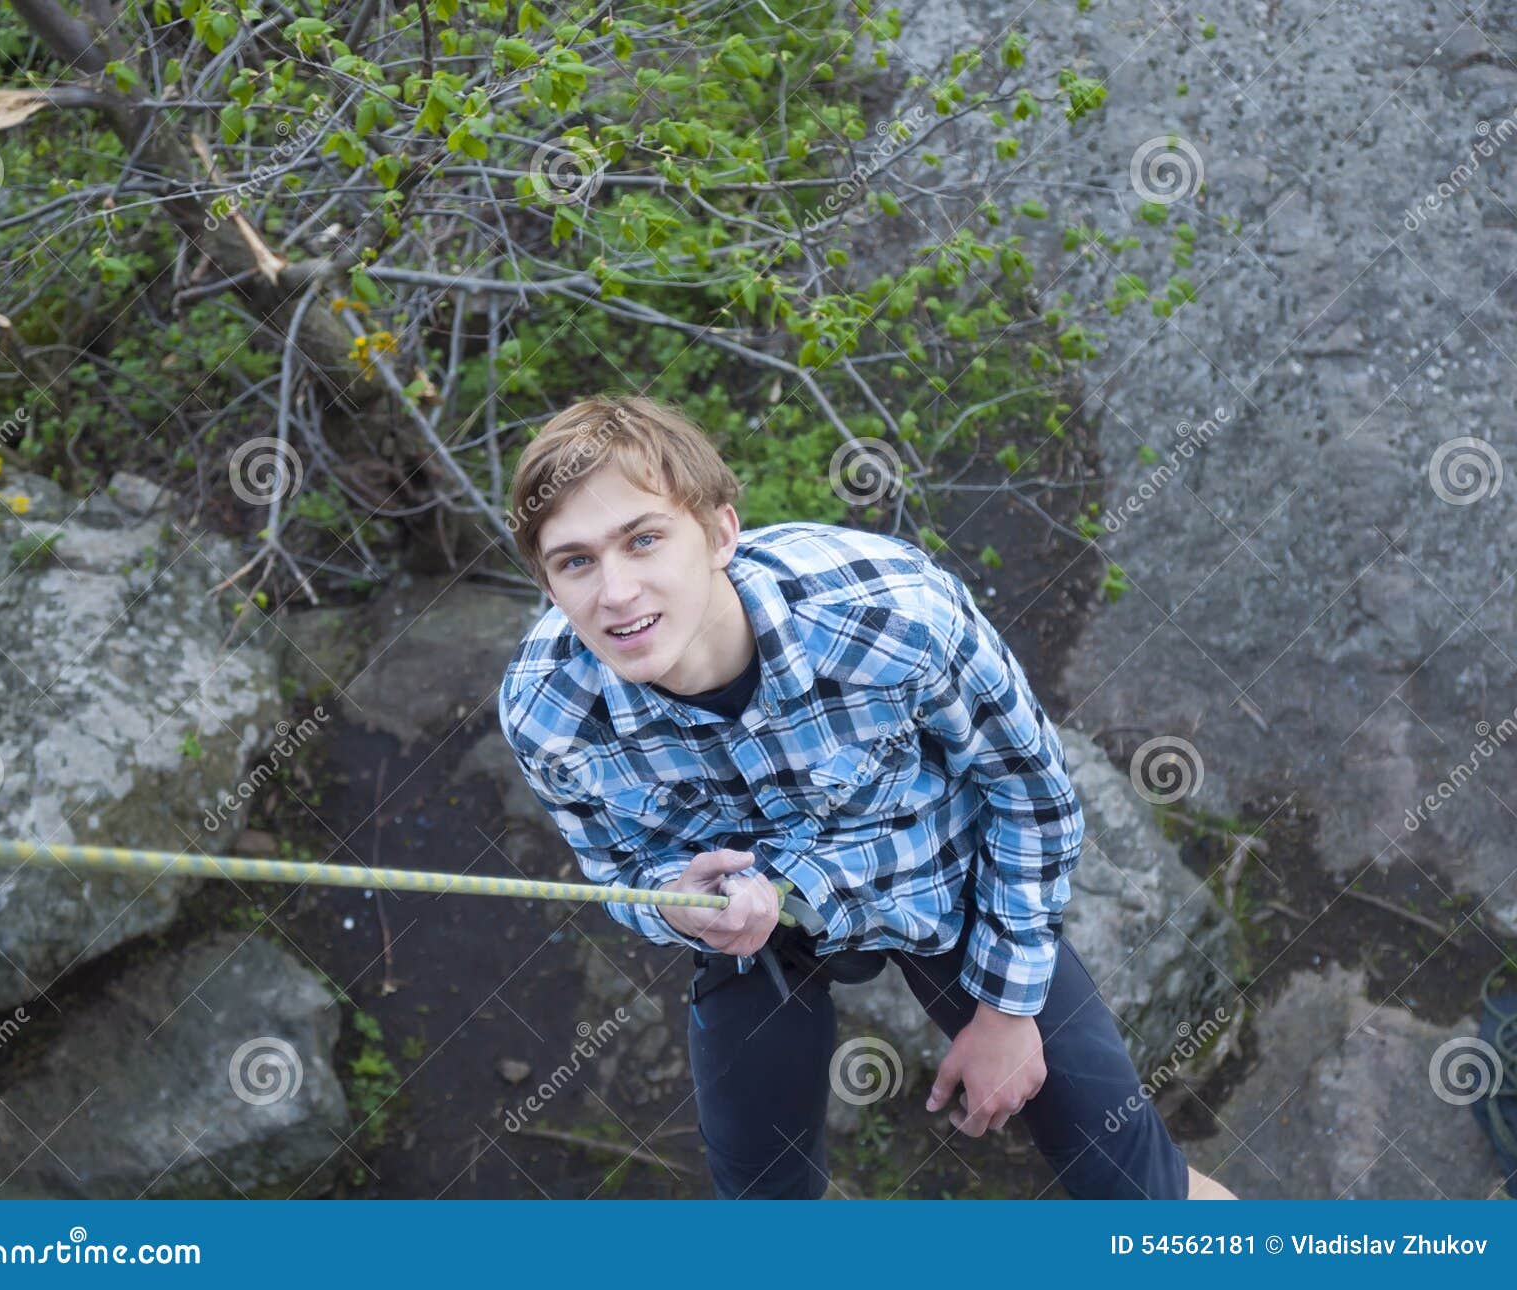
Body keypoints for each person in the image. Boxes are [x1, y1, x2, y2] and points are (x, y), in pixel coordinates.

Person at [497, 393, 1236, 1201]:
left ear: (719, 534)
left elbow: (1029, 791)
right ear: (549, 585)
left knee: (1138, 1186)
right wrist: (677, 906)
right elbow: (621, 868)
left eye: (644, 540)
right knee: (762, 1204)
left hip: (946, 880)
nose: (616, 591)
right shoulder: (547, 712)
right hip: (761, 932)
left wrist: (1007, 1010)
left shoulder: (893, 613)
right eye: (575, 562)